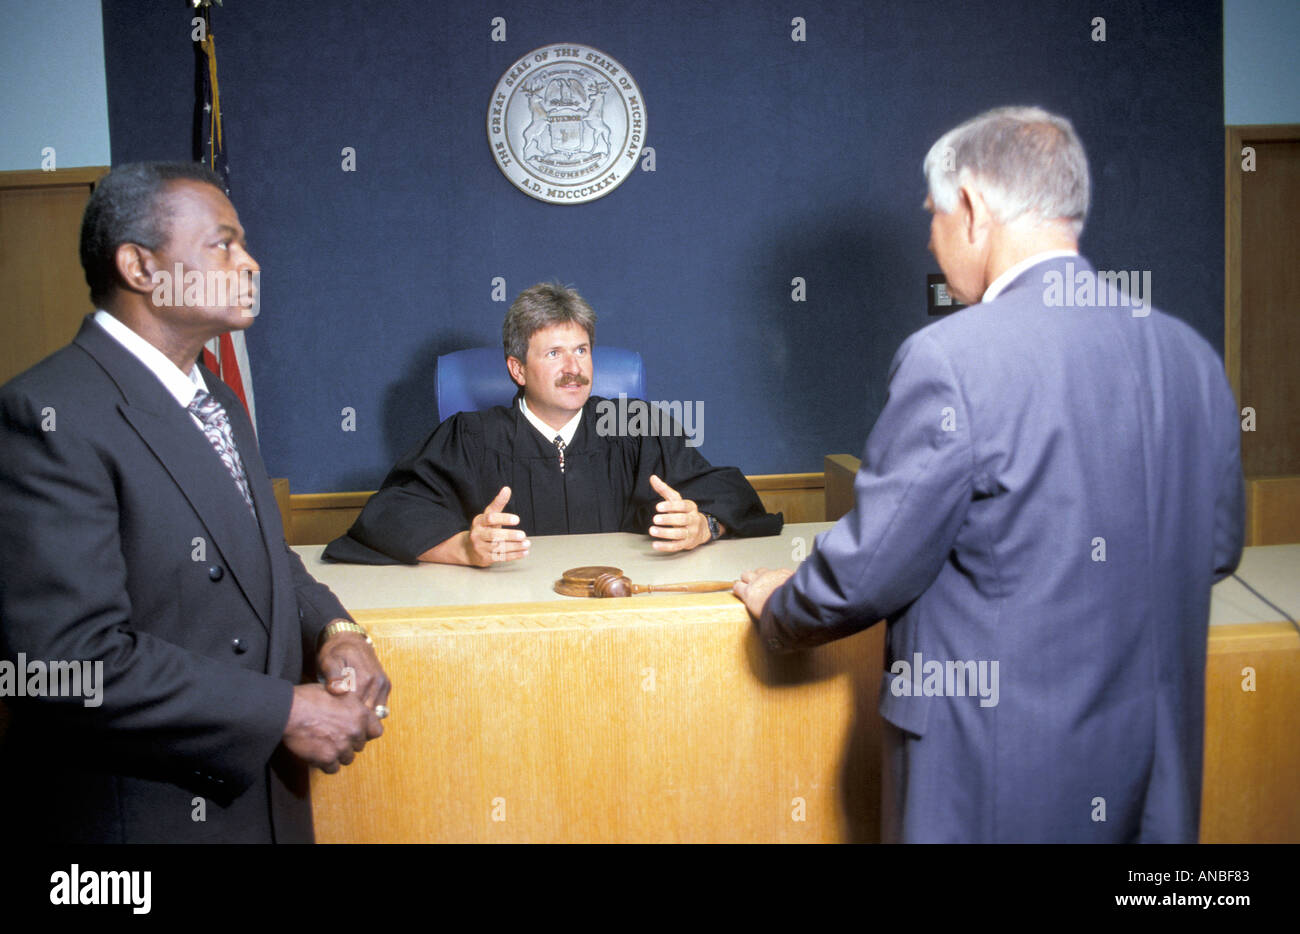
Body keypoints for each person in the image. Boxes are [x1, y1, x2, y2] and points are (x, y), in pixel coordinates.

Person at [734, 107, 1244, 843]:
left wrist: (783, 605)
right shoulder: (1189, 355)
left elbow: (869, 569)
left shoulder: (953, 358)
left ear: (970, 207)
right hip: (1152, 767)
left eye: (931, 216)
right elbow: (1218, 546)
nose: (930, 239)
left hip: (996, 774)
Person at [0, 162, 390, 843]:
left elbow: (267, 563)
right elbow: (64, 664)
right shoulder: (46, 413)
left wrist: (336, 632)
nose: (250, 263)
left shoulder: (218, 402)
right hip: (142, 821)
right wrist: (283, 713)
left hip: (262, 805)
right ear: (140, 267)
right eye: (224, 243)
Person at [324, 283, 782, 566]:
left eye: (581, 350)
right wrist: (463, 547)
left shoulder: (633, 424)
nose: (574, 368)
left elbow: (732, 492)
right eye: (553, 353)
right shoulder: (470, 436)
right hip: (505, 623)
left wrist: (704, 527)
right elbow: (389, 513)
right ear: (517, 370)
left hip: (623, 612)